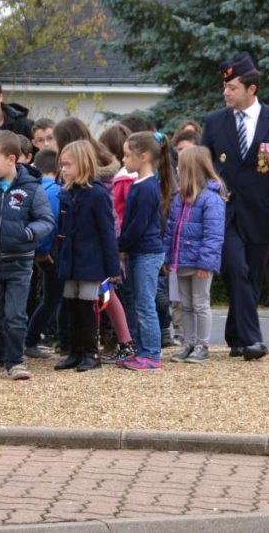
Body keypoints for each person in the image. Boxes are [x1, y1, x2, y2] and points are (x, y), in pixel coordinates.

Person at [200, 51, 269, 360]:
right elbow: (205, 167)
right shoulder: (215, 122)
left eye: (232, 87)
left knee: (251, 279)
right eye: (225, 87)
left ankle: (236, 338)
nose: (226, 93)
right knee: (236, 270)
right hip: (224, 213)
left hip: (262, 214)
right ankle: (253, 339)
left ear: (251, 88)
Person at [0, 132, 54, 380]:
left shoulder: (32, 189)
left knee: (15, 315)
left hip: (20, 261)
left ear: (11, 159)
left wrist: (28, 233)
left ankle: (15, 361)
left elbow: (46, 221)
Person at [53, 141, 120, 371]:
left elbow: (107, 233)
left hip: (90, 261)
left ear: (83, 164)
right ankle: (75, 351)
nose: (63, 169)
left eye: (68, 164)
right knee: (71, 305)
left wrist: (112, 268)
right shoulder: (67, 194)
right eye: (62, 165)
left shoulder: (97, 195)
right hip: (70, 260)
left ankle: (91, 353)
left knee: (87, 306)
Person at [163, 146, 226, 363]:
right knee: (186, 305)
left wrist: (206, 263)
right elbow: (172, 230)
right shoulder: (180, 198)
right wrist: (168, 257)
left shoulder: (211, 199)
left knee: (200, 303)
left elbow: (214, 234)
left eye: (181, 167)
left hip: (199, 263)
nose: (178, 171)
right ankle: (189, 343)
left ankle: (202, 345)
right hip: (181, 260)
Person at [118, 131, 174, 370]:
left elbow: (137, 227)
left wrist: (119, 246)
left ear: (143, 157)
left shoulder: (146, 188)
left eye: (127, 155)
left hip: (146, 254)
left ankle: (151, 354)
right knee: (139, 303)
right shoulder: (141, 185)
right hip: (140, 252)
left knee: (145, 304)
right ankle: (142, 351)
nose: (123, 160)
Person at [24, 149, 63, 359]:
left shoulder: (33, 188)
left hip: (32, 248)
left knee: (49, 298)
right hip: (49, 253)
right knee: (54, 299)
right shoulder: (56, 191)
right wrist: (43, 251)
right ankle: (32, 340)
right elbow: (51, 223)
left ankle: (31, 339)